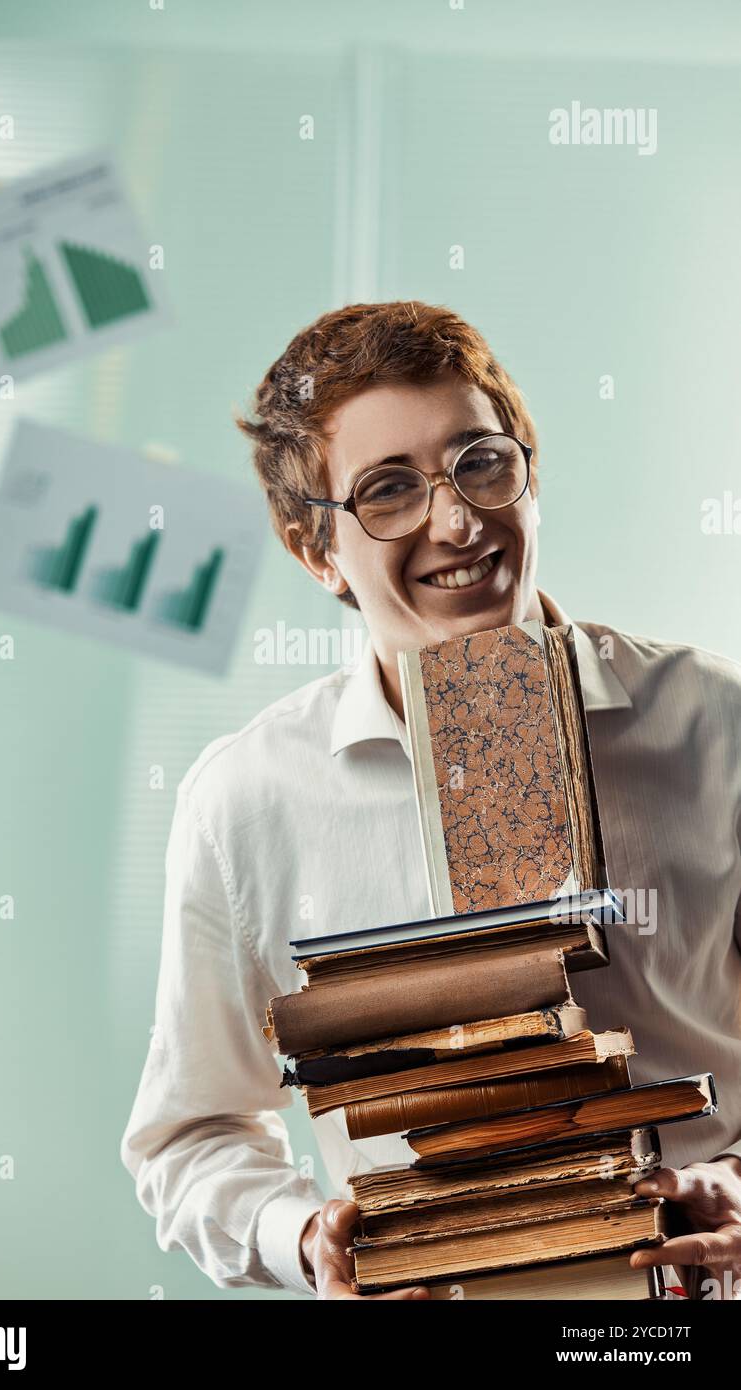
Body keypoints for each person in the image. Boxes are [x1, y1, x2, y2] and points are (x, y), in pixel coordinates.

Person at [120, 301, 741, 1300]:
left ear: (528, 469)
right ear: (313, 549)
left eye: (480, 462)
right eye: (388, 491)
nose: (456, 520)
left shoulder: (713, 723)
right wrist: (307, 1235)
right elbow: (187, 1135)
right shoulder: (243, 805)